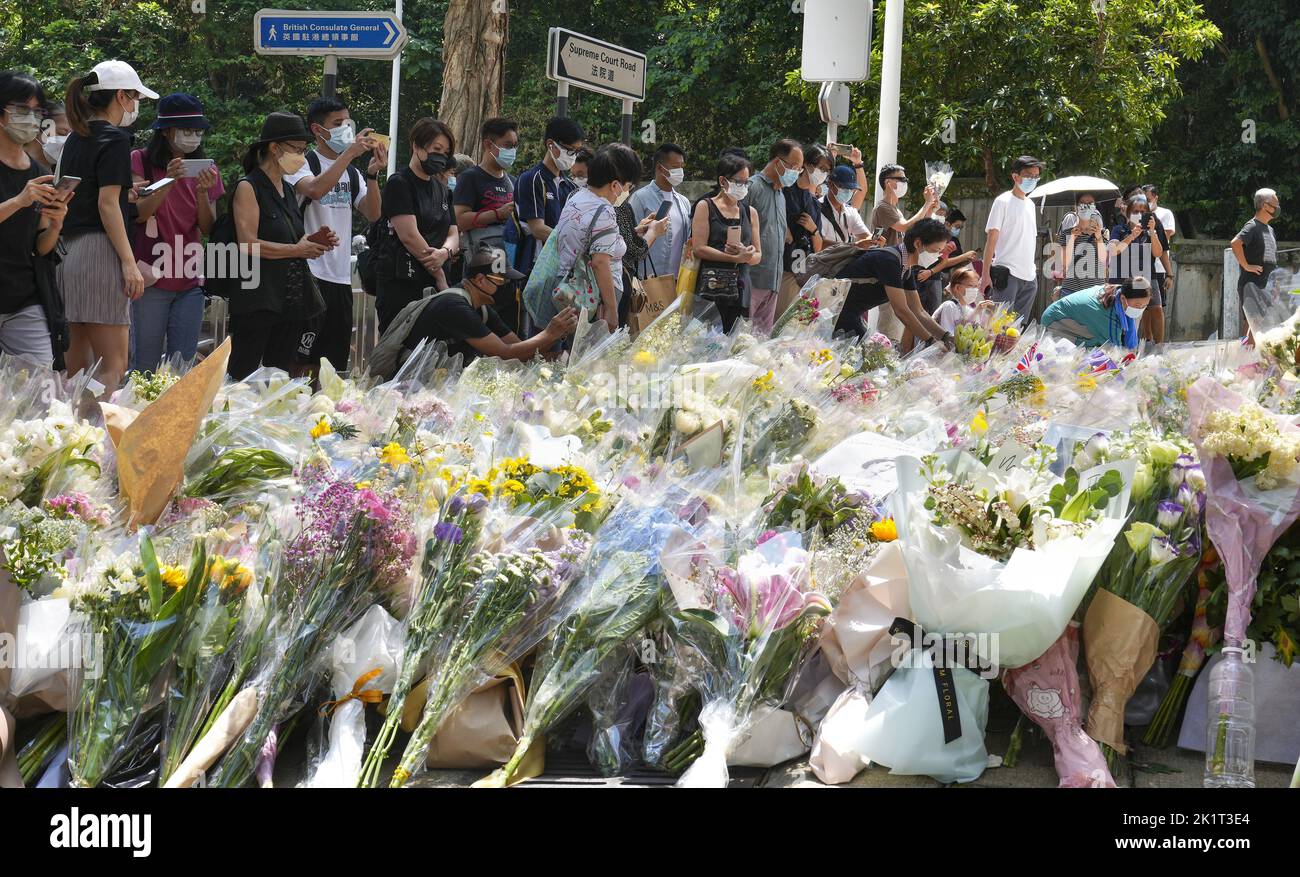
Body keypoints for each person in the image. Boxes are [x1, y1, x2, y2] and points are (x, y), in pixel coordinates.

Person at [58, 60, 159, 394]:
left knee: (77, 370)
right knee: (112, 367)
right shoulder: (116, 138)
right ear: (121, 96)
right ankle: (101, 444)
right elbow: (106, 203)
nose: (135, 106)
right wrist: (129, 264)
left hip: (67, 253)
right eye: (135, 97)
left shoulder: (75, 137)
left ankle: (71, 440)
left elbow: (87, 194)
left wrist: (123, 195)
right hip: (100, 252)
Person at [227, 112, 337, 379]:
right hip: (257, 300)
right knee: (244, 377)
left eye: (303, 150)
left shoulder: (287, 189)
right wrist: (298, 250)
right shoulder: (248, 187)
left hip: (289, 301)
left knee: (279, 377)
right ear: (273, 148)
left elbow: (292, 239)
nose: (300, 156)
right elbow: (247, 244)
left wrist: (314, 242)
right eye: (296, 149)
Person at [283, 97, 387, 373]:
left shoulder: (352, 173)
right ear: (318, 130)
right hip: (308, 274)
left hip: (340, 277)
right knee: (300, 360)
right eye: (337, 124)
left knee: (333, 364)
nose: (346, 129)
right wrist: (350, 154)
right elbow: (315, 190)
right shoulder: (302, 163)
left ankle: (327, 414)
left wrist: (373, 174)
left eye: (348, 123)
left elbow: (374, 213)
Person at [125, 93, 222, 374]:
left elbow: (207, 227)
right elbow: (139, 213)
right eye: (186, 130)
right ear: (166, 131)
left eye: (197, 131)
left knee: (182, 367)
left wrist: (203, 193)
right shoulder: (140, 161)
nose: (193, 137)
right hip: (150, 278)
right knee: (144, 365)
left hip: (189, 278)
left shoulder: (207, 170)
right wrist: (168, 179)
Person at [384, 248, 577, 370]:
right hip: (412, 385)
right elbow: (506, 353)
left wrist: (558, 354)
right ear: (480, 280)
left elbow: (520, 350)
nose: (508, 287)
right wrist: (550, 333)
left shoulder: (480, 307)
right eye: (503, 281)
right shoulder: (455, 307)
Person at [0, 71, 67, 364]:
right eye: (21, 109)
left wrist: (56, 223)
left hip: (25, 298)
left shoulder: (40, 174)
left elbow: (40, 247)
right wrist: (18, 201)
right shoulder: (28, 187)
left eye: (37, 111)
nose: (30, 118)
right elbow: (18, 204)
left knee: (39, 392)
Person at [374, 117, 458, 332]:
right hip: (403, 285)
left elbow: (453, 233)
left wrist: (445, 253)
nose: (441, 156)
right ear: (417, 146)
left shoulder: (442, 190)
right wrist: (438, 272)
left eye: (446, 153)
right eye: (436, 148)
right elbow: (409, 235)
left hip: (437, 283)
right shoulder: (399, 183)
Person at [551, 143, 642, 333]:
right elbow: (600, 262)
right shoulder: (604, 211)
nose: (627, 192)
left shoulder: (575, 197)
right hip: (595, 297)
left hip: (571, 289)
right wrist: (611, 310)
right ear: (615, 185)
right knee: (594, 356)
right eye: (628, 187)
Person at [833, 218, 954, 350]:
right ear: (918, 243)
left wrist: (946, 336)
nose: (937, 256)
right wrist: (930, 341)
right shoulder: (890, 261)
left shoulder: (905, 267)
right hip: (835, 312)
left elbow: (918, 311)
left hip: (849, 314)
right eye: (935, 250)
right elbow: (901, 310)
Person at [454, 117, 522, 330]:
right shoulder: (470, 178)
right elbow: (459, 220)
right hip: (481, 272)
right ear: (488, 144)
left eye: (515, 146)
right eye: (507, 145)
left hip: (509, 270)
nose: (512, 151)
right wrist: (496, 214)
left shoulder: (513, 181)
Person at [690, 152, 761, 333]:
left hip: (741, 289)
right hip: (712, 287)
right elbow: (699, 248)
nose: (743, 187)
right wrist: (735, 258)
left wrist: (748, 255)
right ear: (723, 181)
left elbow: (758, 255)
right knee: (707, 342)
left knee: (736, 343)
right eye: (739, 182)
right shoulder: (705, 206)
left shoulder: (750, 211)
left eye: (746, 182)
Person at [741, 139, 802, 333]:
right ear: (777, 162)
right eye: (794, 167)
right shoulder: (752, 188)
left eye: (800, 169)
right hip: (751, 280)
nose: (796, 173)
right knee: (739, 339)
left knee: (760, 345)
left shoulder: (781, 195)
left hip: (773, 281)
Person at [515, 116, 584, 280]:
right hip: (537, 268)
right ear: (550, 145)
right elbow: (537, 229)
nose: (573, 156)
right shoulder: (531, 179)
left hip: (565, 269)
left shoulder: (571, 186)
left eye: (577, 151)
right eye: (569, 150)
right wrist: (575, 245)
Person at [981, 155, 1046, 320]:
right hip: (1007, 274)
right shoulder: (1002, 201)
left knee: (1016, 331)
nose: (1033, 179)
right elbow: (991, 240)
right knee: (996, 328)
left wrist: (1032, 272)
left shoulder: (1031, 205)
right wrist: (985, 274)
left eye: (1036, 176)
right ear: (1015, 176)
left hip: (1029, 277)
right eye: (1029, 175)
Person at [776, 144, 827, 316]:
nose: (823, 173)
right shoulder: (784, 191)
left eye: (827, 170)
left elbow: (818, 248)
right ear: (807, 165)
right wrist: (785, 231)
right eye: (821, 168)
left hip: (805, 274)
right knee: (779, 323)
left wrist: (813, 230)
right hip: (783, 269)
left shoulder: (813, 203)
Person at [1108, 191, 1166, 341]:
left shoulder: (1149, 233)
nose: (1139, 214)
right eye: (1135, 212)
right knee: (1119, 319)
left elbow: (1158, 253)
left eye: (1143, 212)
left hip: (1142, 281)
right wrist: (1132, 236)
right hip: (1122, 282)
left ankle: (1133, 352)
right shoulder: (1119, 230)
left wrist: (1152, 232)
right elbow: (1114, 250)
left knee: (1136, 321)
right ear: (1128, 213)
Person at [629, 142, 690, 282]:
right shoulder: (640, 198)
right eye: (675, 167)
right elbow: (631, 238)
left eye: (681, 167)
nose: (680, 172)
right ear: (659, 168)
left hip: (677, 280)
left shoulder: (684, 202)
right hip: (649, 279)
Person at [1040, 277, 1151, 350]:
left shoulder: (1119, 291)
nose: (1140, 309)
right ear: (1123, 298)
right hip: (1056, 321)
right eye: (1137, 305)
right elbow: (1114, 351)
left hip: (1072, 317)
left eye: (1144, 306)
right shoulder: (1106, 312)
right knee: (1087, 353)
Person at [1231, 188, 1282, 313]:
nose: (1278, 208)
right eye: (1276, 205)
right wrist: (1246, 266)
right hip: (1252, 284)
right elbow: (1235, 243)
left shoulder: (1270, 229)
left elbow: (1271, 260)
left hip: (1267, 286)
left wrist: (1275, 284)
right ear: (1265, 206)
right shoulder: (1252, 226)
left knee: (1260, 325)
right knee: (1254, 322)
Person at [1055, 202, 1108, 298]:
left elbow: (1104, 260)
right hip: (1070, 290)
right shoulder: (1067, 233)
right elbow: (1063, 262)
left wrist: (1098, 237)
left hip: (1095, 291)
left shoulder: (1102, 234)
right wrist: (1072, 238)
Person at [818, 164, 872, 246]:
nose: (849, 192)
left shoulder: (851, 212)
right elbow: (819, 243)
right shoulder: (816, 209)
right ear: (831, 184)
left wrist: (873, 241)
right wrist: (854, 246)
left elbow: (866, 236)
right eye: (845, 188)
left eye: (852, 189)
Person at [931, 266, 985, 335]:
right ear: (957, 287)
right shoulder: (949, 306)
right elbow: (949, 335)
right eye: (971, 286)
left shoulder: (970, 310)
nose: (975, 290)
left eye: (976, 286)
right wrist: (974, 314)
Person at [30, 101, 69, 168]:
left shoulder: (62, 173)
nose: (67, 140)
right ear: (38, 129)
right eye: (62, 133)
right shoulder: (13, 166)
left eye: (70, 136)